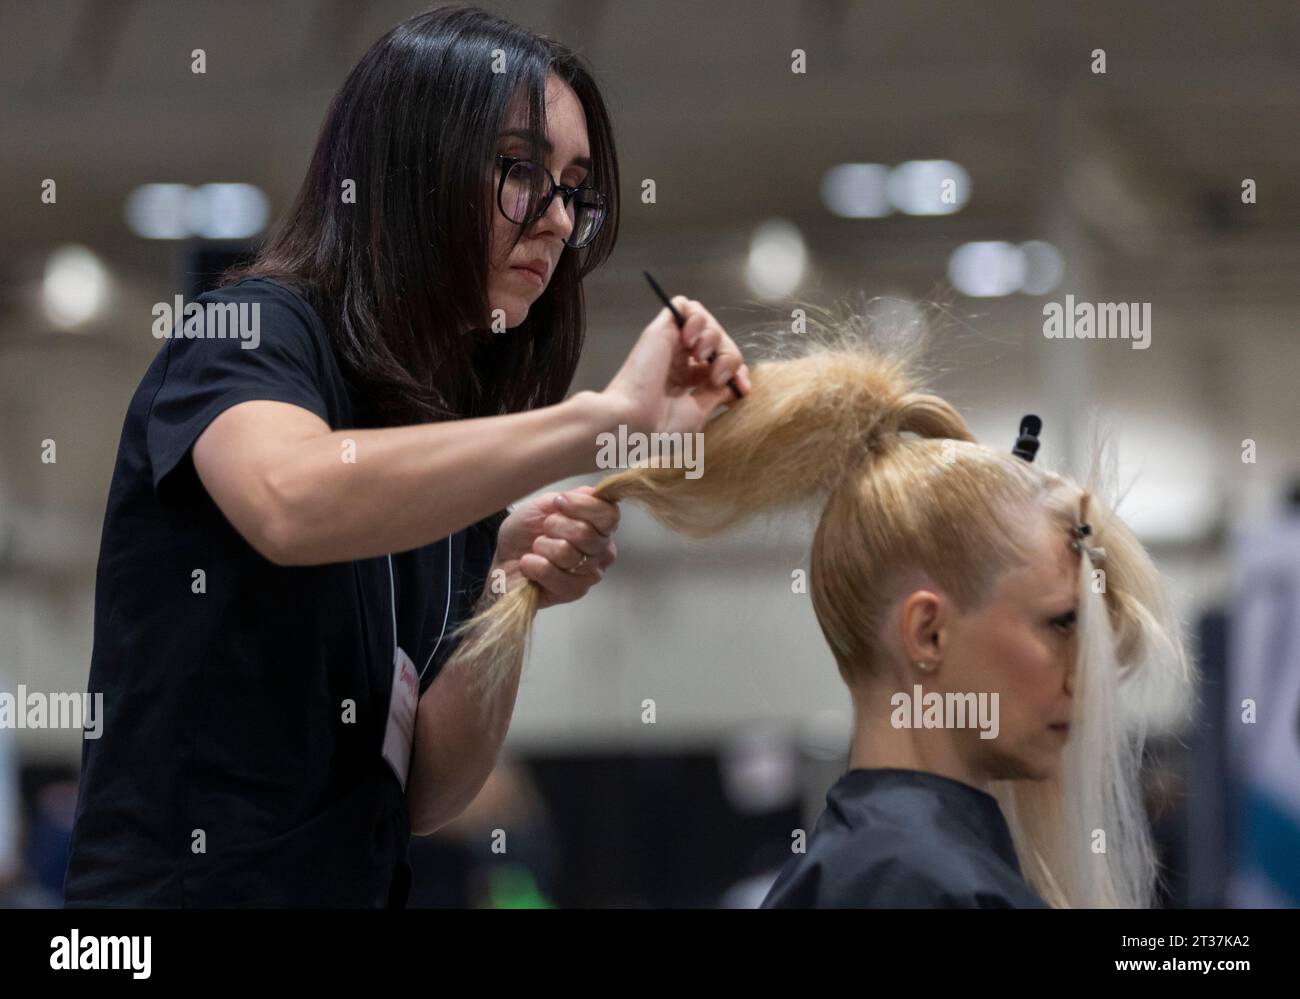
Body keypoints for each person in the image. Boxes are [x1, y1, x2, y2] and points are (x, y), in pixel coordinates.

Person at [63, 5, 750, 908]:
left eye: (574, 188)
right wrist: (606, 418)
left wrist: (509, 594)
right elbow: (293, 499)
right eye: (519, 171)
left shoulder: (435, 432)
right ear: (406, 172)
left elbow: (425, 789)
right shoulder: (251, 335)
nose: (553, 219)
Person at [453, 311, 1194, 908]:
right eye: (1060, 625)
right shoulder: (923, 885)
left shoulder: (878, 868)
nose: (1085, 677)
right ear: (927, 631)